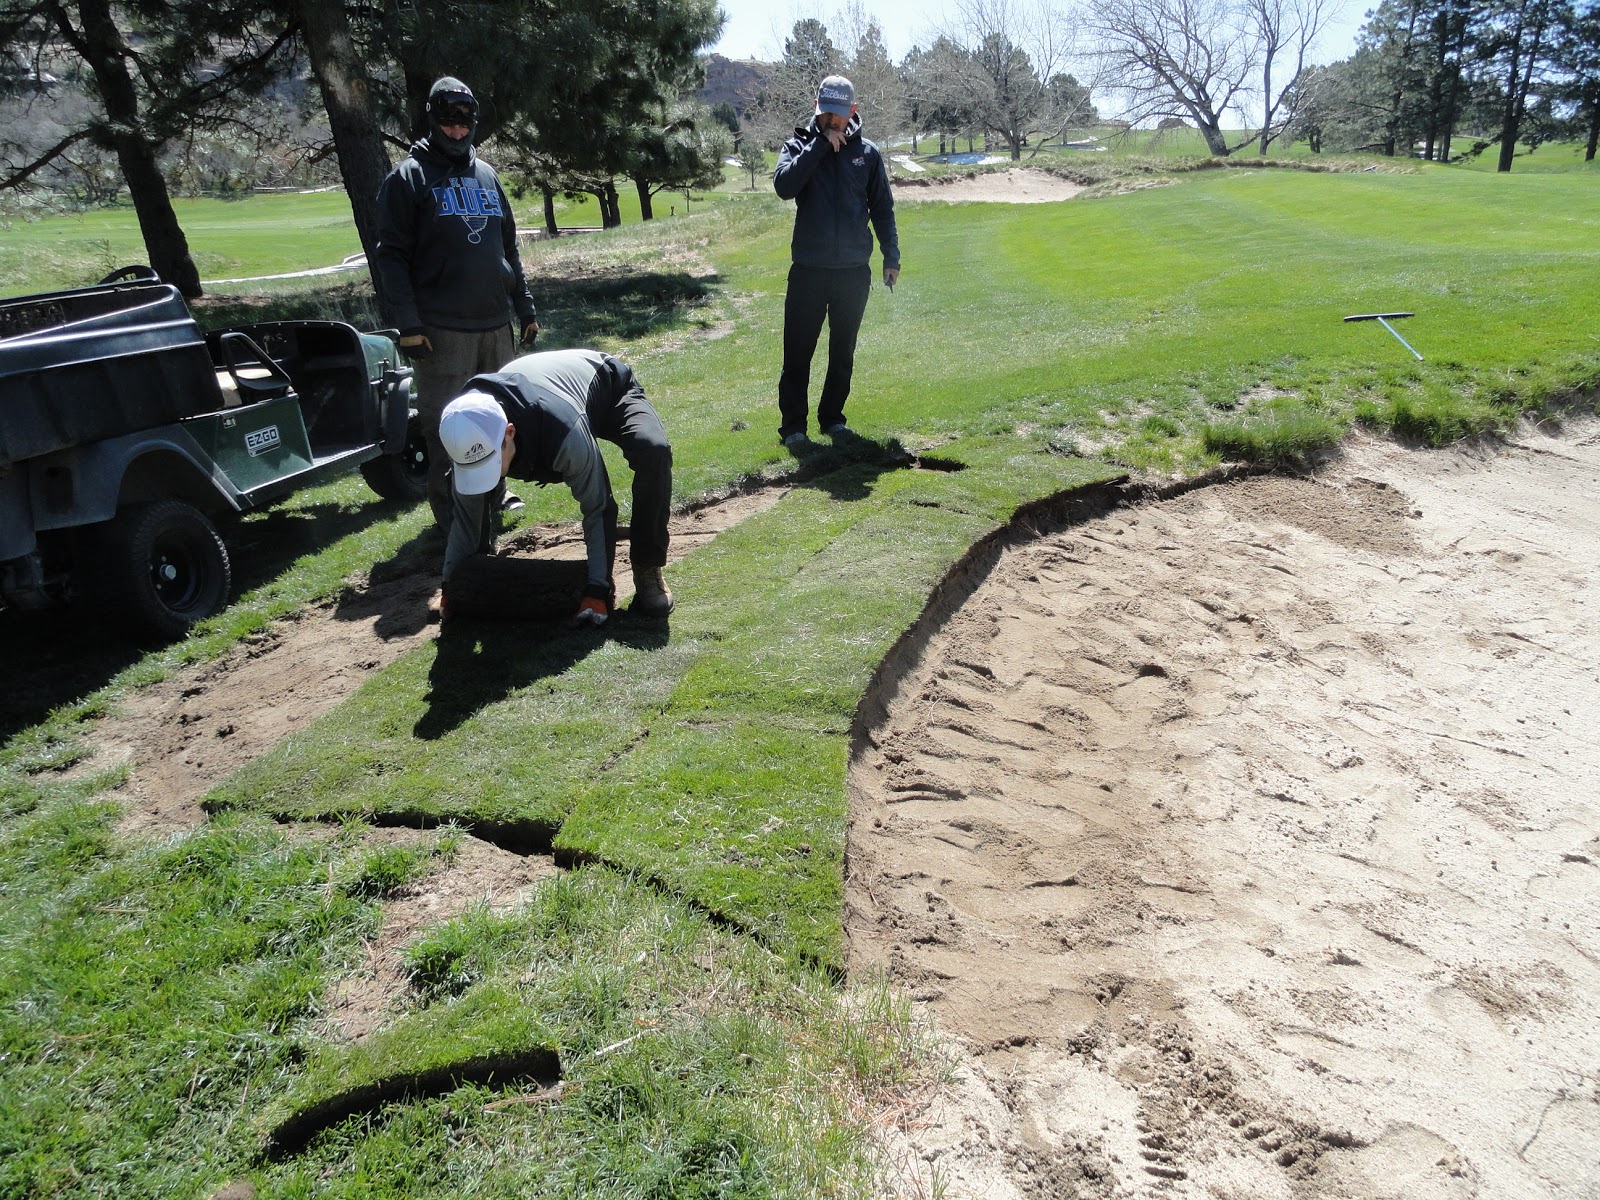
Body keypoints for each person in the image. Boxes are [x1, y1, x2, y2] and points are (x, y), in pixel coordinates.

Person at [374, 75, 540, 525]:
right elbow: (390, 257)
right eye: (448, 123)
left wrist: (524, 307)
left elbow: (507, 249)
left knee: (497, 417)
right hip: (441, 331)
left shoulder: (486, 175)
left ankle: (496, 494)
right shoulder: (408, 178)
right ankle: (453, 515)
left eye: (465, 123)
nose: (457, 132)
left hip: (494, 324)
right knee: (447, 425)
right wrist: (408, 324)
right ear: (432, 119)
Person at [437, 349, 675, 623]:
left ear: (509, 433)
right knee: (468, 503)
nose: (485, 475)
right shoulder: (464, 428)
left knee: (653, 451)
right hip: (546, 400)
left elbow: (598, 507)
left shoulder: (563, 432)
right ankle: (477, 574)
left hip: (607, 387)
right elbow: (466, 519)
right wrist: (452, 587)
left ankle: (648, 568)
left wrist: (597, 590)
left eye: (489, 464)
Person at [772, 74, 900, 449]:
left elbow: (883, 209)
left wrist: (891, 256)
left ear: (853, 112)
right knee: (797, 354)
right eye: (826, 113)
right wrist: (818, 148)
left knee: (842, 353)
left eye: (839, 116)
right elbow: (784, 187)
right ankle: (794, 429)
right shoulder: (797, 145)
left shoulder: (868, 154)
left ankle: (833, 420)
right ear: (818, 108)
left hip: (852, 274)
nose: (832, 121)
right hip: (809, 271)